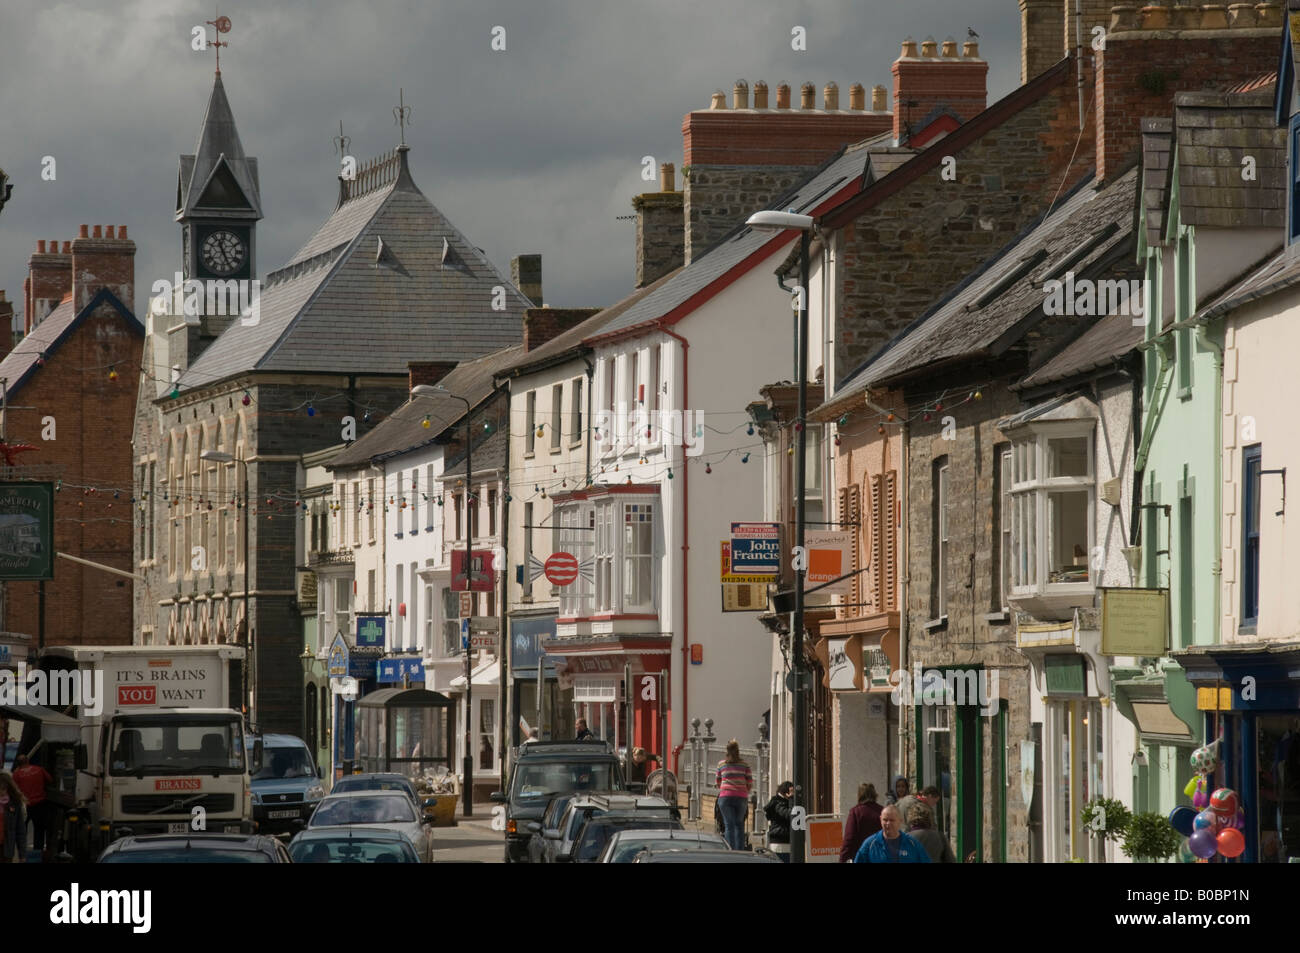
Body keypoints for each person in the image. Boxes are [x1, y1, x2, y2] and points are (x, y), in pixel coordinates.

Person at [853, 804, 929, 863]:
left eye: (892, 820)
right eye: (885, 820)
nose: (888, 823)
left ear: (900, 821)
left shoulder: (912, 843)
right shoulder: (870, 845)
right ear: (880, 820)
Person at [12, 755, 54, 863]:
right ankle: (37, 854)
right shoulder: (39, 770)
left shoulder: (17, 775)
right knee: (39, 830)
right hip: (39, 803)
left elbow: (13, 790)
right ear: (28, 761)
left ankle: (22, 853)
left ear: (18, 764)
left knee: (21, 830)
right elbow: (50, 779)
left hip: (25, 805)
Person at [715, 739, 753, 851]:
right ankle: (740, 851)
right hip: (741, 796)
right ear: (738, 751)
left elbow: (717, 781)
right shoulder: (745, 765)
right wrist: (743, 790)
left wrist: (725, 788)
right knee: (739, 825)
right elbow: (750, 782)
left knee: (729, 825)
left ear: (726, 751)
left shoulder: (721, 764)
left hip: (725, 797)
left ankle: (730, 851)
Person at [839, 783, 883, 863]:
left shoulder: (855, 812)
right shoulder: (882, 811)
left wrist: (842, 859)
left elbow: (849, 838)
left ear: (859, 795)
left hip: (861, 856)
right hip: (880, 855)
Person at [0, 769, 26, 864]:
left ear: (8, 788)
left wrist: (22, 855)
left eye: (3, 789)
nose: (0, 792)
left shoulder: (15, 804)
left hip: (7, 850)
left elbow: (20, 831)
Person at [764, 780, 794, 862]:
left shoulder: (776, 801)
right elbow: (791, 815)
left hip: (781, 842)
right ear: (787, 793)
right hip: (781, 843)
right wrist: (791, 799)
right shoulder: (778, 803)